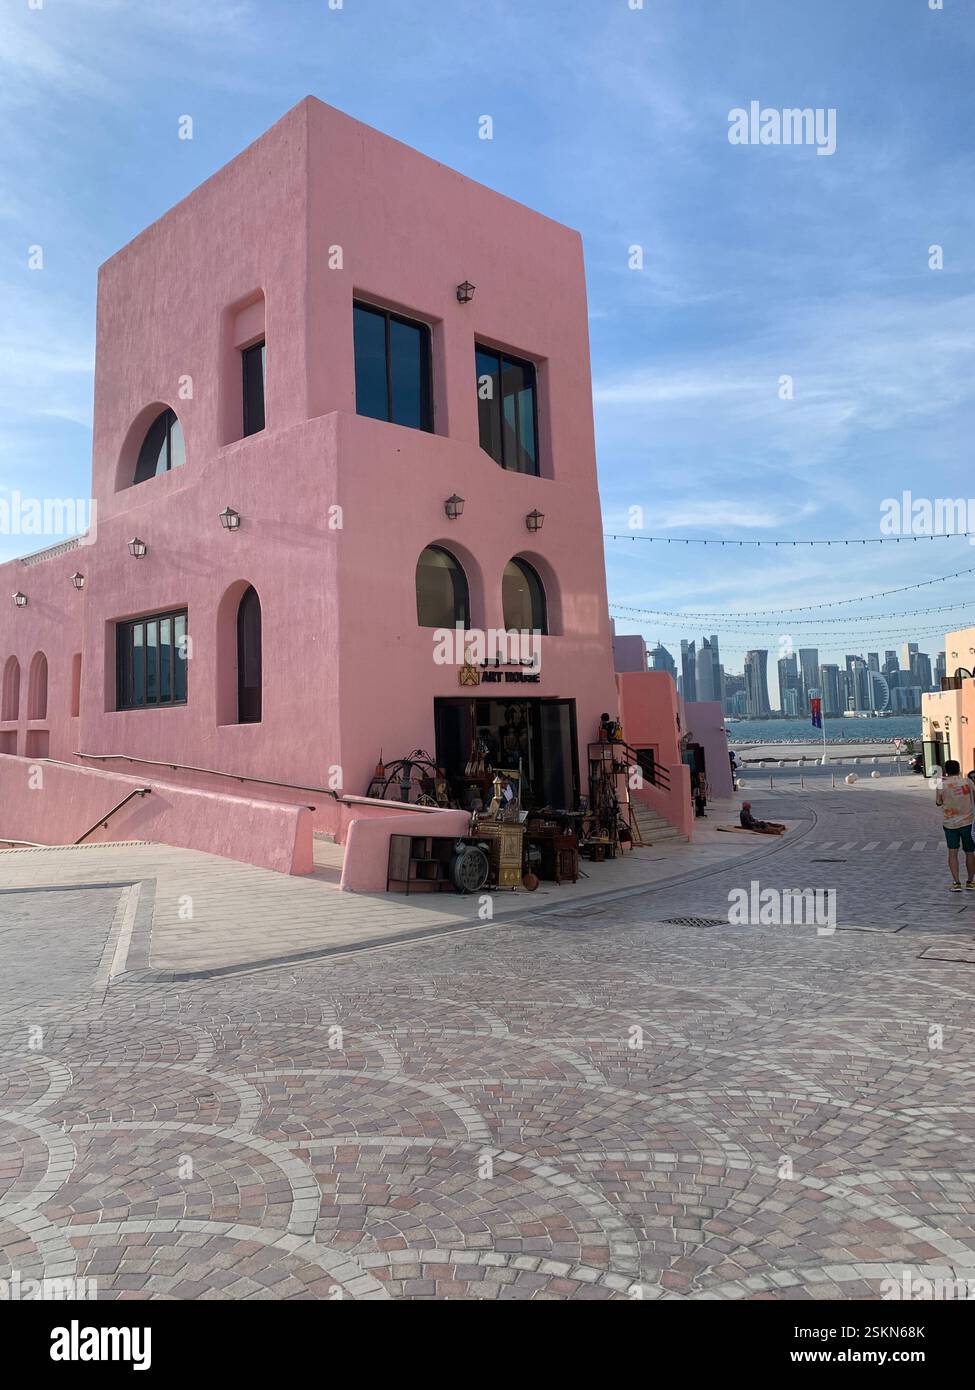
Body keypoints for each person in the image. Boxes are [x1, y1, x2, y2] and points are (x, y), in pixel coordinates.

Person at [935, 759, 975, 892]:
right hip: (968, 823)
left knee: (953, 852)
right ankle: (970, 881)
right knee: (970, 852)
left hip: (950, 823)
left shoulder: (941, 785)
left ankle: (956, 883)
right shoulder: (968, 782)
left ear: (946, 771)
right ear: (959, 769)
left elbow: (938, 802)